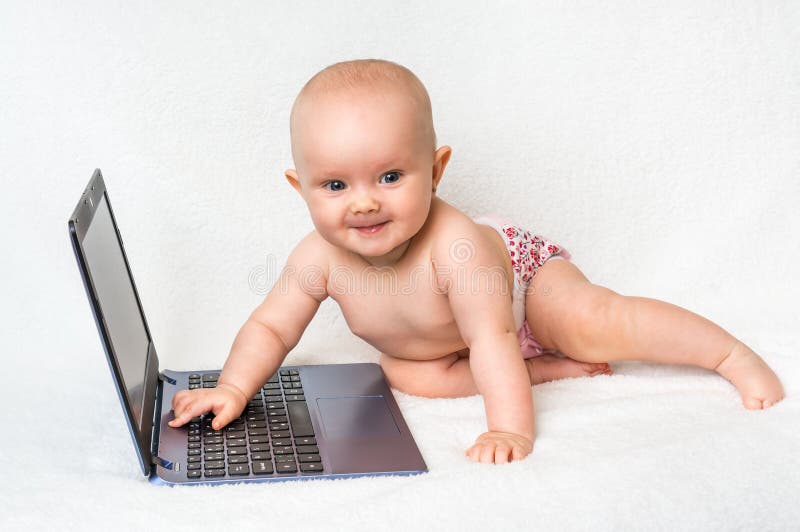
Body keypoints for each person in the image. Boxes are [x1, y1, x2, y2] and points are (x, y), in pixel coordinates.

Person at [169, 59, 784, 464]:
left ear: (435, 170)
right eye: (334, 185)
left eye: (389, 176)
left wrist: (510, 428)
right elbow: (271, 326)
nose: (363, 202)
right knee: (405, 373)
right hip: (445, 345)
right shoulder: (317, 258)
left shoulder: (456, 246)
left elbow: (491, 338)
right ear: (298, 187)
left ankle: (727, 353)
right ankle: (547, 372)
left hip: (518, 287)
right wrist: (233, 385)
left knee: (593, 321)